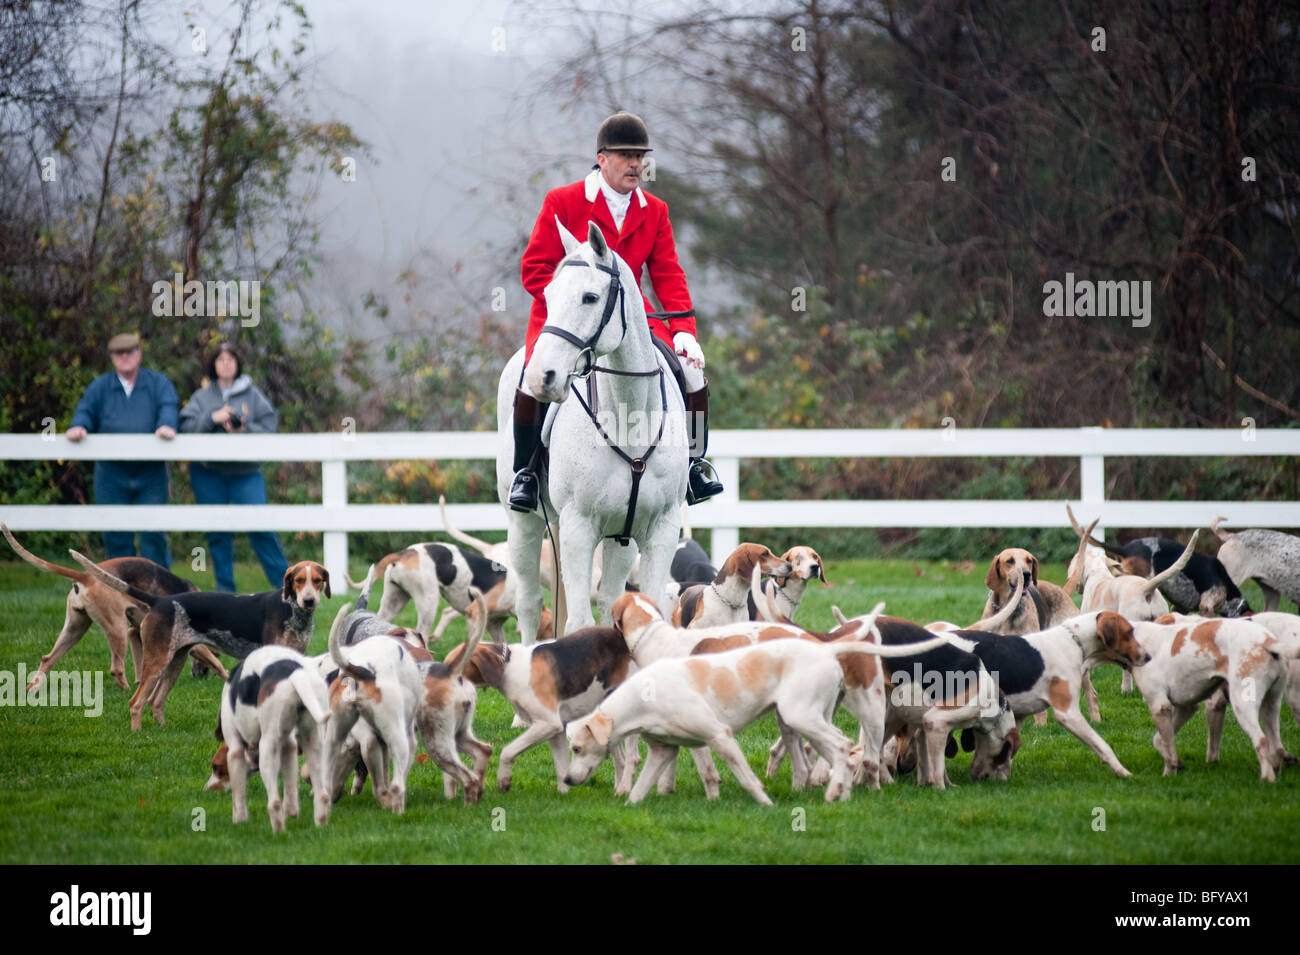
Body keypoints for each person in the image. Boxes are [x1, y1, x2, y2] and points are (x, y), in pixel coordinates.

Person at [510, 110, 724, 512]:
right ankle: (526, 472)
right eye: (626, 155)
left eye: (640, 156)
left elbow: (668, 273)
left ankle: (694, 464)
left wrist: (683, 330)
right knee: (531, 377)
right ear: (602, 158)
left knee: (693, 374)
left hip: (634, 321)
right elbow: (534, 267)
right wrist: (568, 302)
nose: (636, 164)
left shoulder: (655, 210)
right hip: (567, 318)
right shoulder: (563, 201)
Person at [179, 342, 288, 593]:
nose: (226, 364)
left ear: (238, 363)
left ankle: (285, 584)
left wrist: (244, 429)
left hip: (245, 472)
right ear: (213, 365)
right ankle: (224, 588)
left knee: (260, 527)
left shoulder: (252, 393)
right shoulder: (203, 396)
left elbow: (270, 424)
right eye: (220, 359)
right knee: (217, 531)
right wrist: (212, 418)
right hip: (209, 473)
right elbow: (185, 426)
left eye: (230, 359)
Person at [67, 332, 178, 566]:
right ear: (111, 357)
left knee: (153, 534)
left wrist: (167, 425)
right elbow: (85, 411)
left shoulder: (158, 383)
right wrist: (79, 426)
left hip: (151, 472)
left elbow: (169, 407)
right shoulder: (101, 386)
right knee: (115, 534)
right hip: (111, 473)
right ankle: (120, 593)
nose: (125, 357)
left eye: (130, 352)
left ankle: (161, 594)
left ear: (139, 354)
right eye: (119, 353)